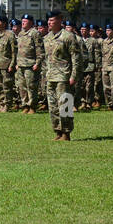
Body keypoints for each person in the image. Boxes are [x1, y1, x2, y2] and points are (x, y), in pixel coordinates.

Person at [42, 10, 81, 141]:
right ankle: (58, 131)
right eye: (48, 20)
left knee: (65, 105)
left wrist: (74, 76)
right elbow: (45, 59)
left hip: (64, 77)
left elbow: (76, 57)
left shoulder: (68, 36)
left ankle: (66, 132)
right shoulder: (47, 38)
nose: (49, 22)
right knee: (52, 106)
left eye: (52, 20)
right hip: (51, 76)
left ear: (59, 20)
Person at [0, 16, 17, 113]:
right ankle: (1, 104)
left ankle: (7, 105)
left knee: (7, 86)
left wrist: (12, 65)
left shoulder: (10, 35)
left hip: (6, 65)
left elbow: (14, 52)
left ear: (4, 24)